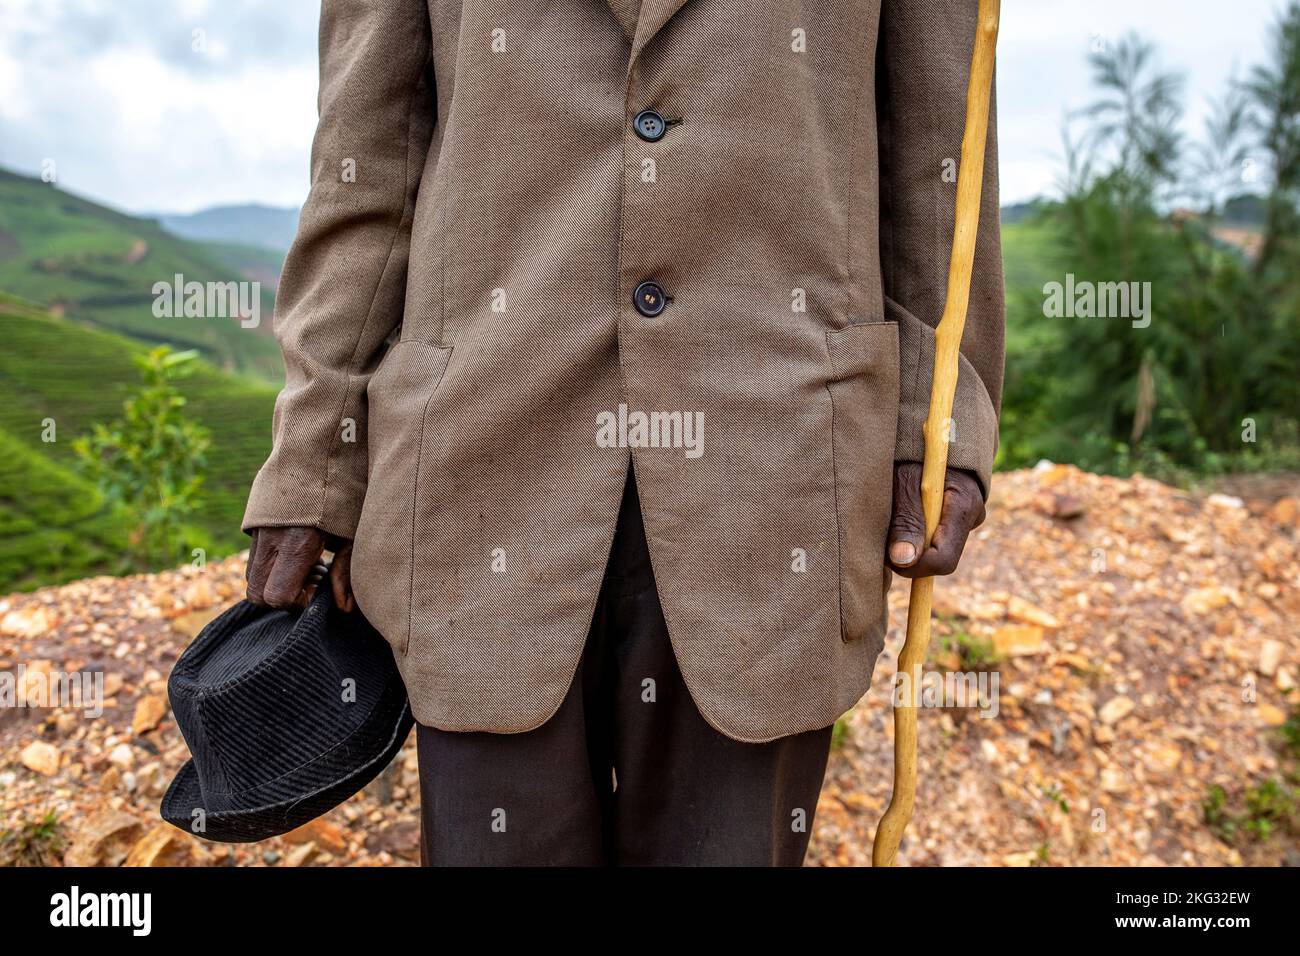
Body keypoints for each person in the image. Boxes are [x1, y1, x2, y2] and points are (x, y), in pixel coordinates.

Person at [243, 0, 1003, 866]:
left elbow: (943, 156)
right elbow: (364, 165)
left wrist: (936, 419)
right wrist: (315, 455)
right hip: (473, 471)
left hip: (784, 470)